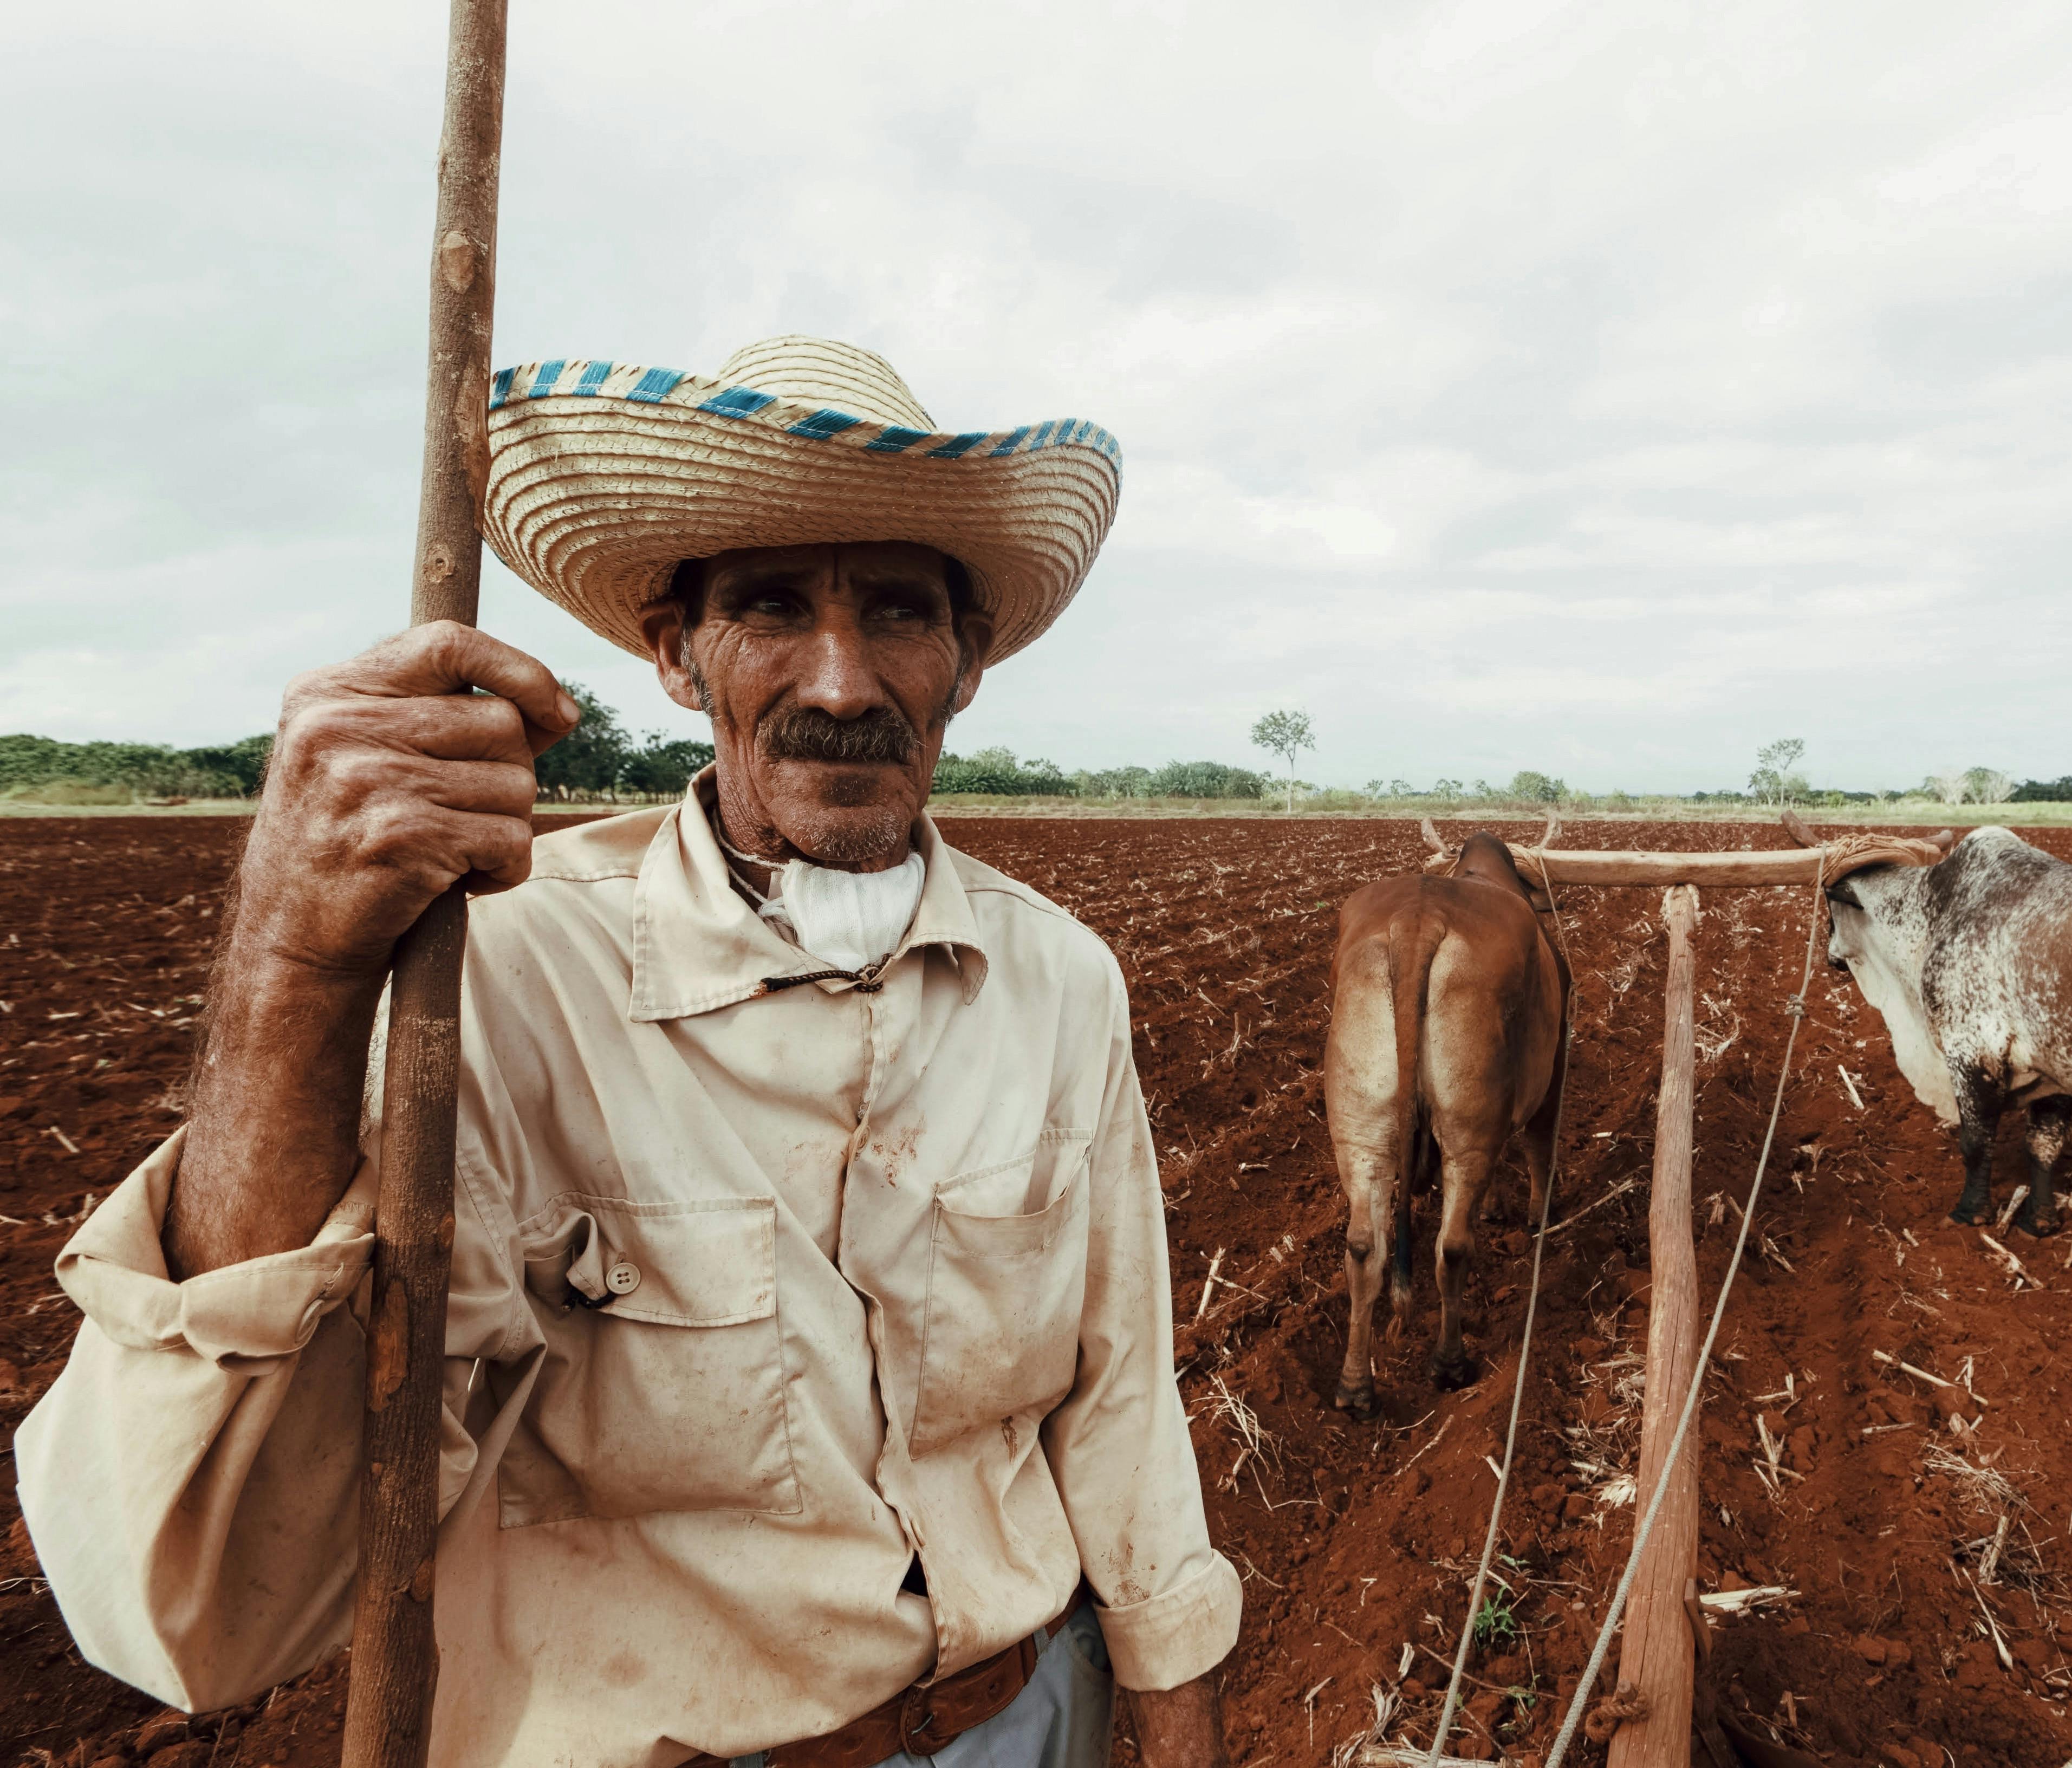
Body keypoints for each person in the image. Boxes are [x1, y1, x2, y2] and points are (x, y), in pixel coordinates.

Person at [17, 337, 1237, 1767]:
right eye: (772, 606)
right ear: (675, 651)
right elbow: (198, 1618)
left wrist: (1174, 1719)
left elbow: (1120, 1410)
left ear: (966, 662)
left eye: (900, 613)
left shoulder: (1059, 982)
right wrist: (295, 968)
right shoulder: (493, 980)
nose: (843, 684)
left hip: (1023, 1722)